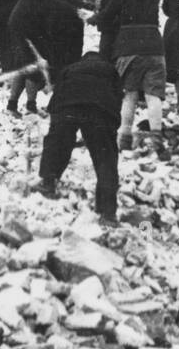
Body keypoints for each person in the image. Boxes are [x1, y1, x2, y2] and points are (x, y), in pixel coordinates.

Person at [38, 50, 123, 223]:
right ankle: (107, 213)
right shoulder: (110, 69)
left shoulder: (70, 69)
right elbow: (117, 98)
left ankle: (48, 183)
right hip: (100, 110)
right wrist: (109, 131)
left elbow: (57, 94)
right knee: (105, 157)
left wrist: (57, 125)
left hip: (67, 105)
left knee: (58, 143)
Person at [5, 0, 82, 116]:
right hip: (26, 23)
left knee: (24, 63)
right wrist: (72, 10)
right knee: (34, 63)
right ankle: (29, 106)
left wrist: (88, 6)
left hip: (28, 22)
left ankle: (13, 105)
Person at [99, 0, 168, 152]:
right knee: (153, 96)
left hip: (129, 48)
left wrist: (94, 18)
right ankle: (157, 141)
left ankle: (124, 139)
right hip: (155, 47)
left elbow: (107, 16)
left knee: (130, 94)